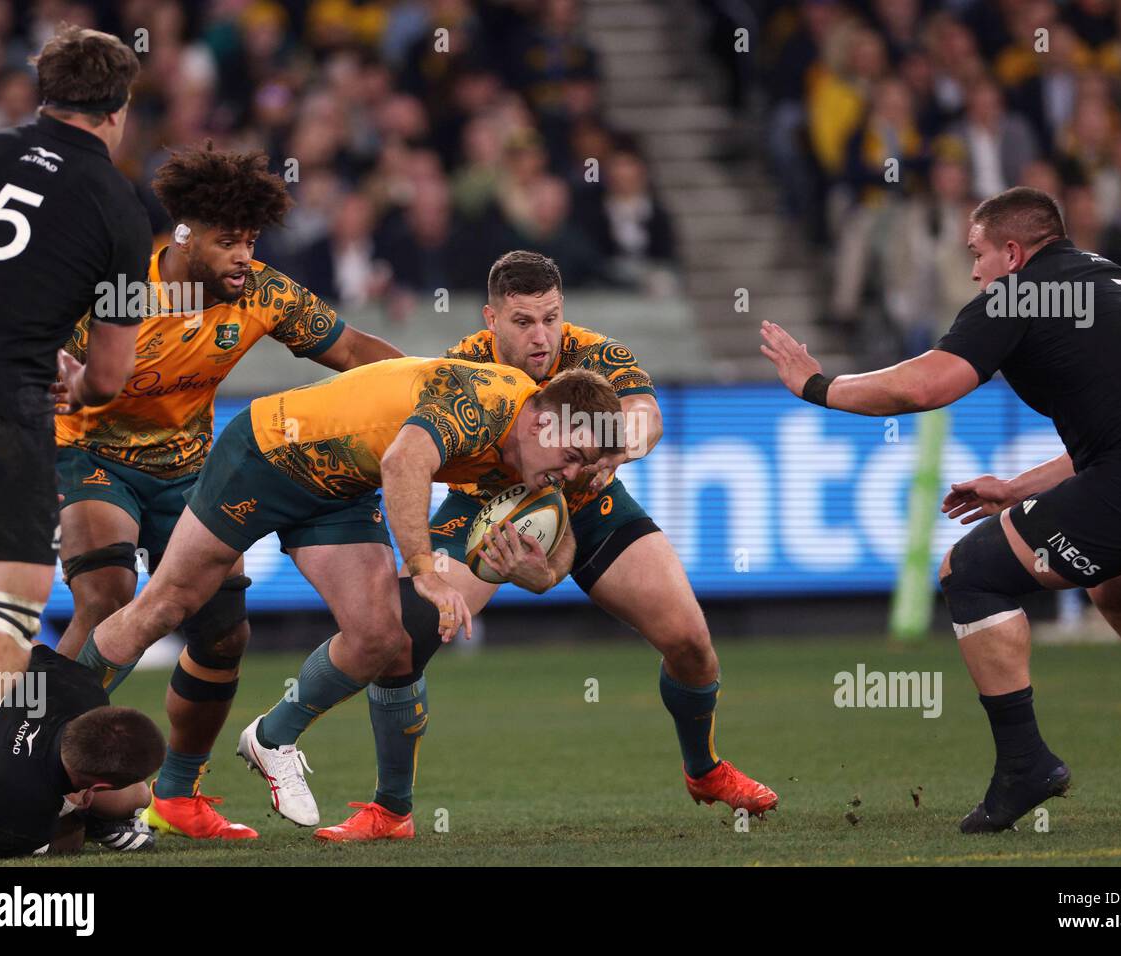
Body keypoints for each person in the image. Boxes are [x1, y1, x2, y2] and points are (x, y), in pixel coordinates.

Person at [761, 186, 1121, 833]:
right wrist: (1020, 489)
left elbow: (928, 384)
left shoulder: (1017, 294)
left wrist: (820, 386)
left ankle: (1025, 765)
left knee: (972, 571)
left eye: (977, 253)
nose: (973, 271)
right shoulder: (1111, 280)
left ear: (1012, 252)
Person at [274, 250, 776, 842]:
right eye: (523, 321)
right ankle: (392, 810)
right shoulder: (463, 365)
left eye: (551, 318)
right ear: (491, 319)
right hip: (488, 511)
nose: (541, 336)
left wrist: (614, 445)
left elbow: (646, 416)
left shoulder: (598, 355)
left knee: (691, 642)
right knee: (401, 639)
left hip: (591, 508)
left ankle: (704, 769)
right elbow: (415, 450)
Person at [77, 356, 623, 828]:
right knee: (166, 606)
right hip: (267, 455)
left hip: (341, 491)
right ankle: (41, 729)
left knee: (382, 636)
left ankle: (270, 739)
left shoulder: (536, 451)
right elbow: (403, 461)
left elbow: (563, 525)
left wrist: (546, 577)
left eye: (582, 465)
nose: (569, 474)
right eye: (571, 457)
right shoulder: (480, 401)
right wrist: (426, 573)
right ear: (544, 420)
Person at [53, 143, 402, 841]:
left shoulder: (264, 294)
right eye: (227, 241)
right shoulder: (118, 286)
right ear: (184, 235)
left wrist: (437, 386)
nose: (244, 256)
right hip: (89, 454)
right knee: (108, 598)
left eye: (250, 240)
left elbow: (358, 354)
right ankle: (34, 761)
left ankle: (178, 797)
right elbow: (32, 344)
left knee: (224, 635)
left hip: (188, 468)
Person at [0, 25, 150, 777]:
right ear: (118, 111)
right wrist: (70, 371)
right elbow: (109, 376)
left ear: (42, 90)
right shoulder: (121, 211)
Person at [0, 645, 165, 862]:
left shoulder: (82, 687)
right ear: (96, 789)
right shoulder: (29, 824)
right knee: (133, 801)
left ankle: (90, 821)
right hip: (15, 801)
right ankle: (90, 821)